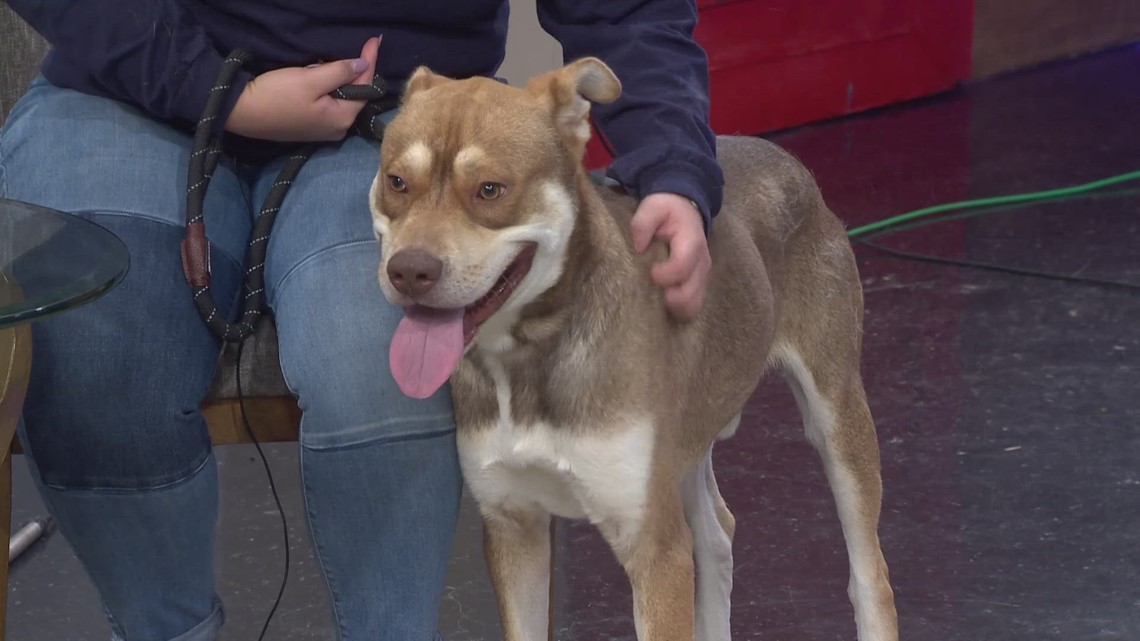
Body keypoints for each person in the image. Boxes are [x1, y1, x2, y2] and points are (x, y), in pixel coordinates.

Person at [1, 1, 725, 639]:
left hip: (392, 114)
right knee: (91, 338)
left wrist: (673, 165)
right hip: (129, 78)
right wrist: (216, 91)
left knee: (374, 361)